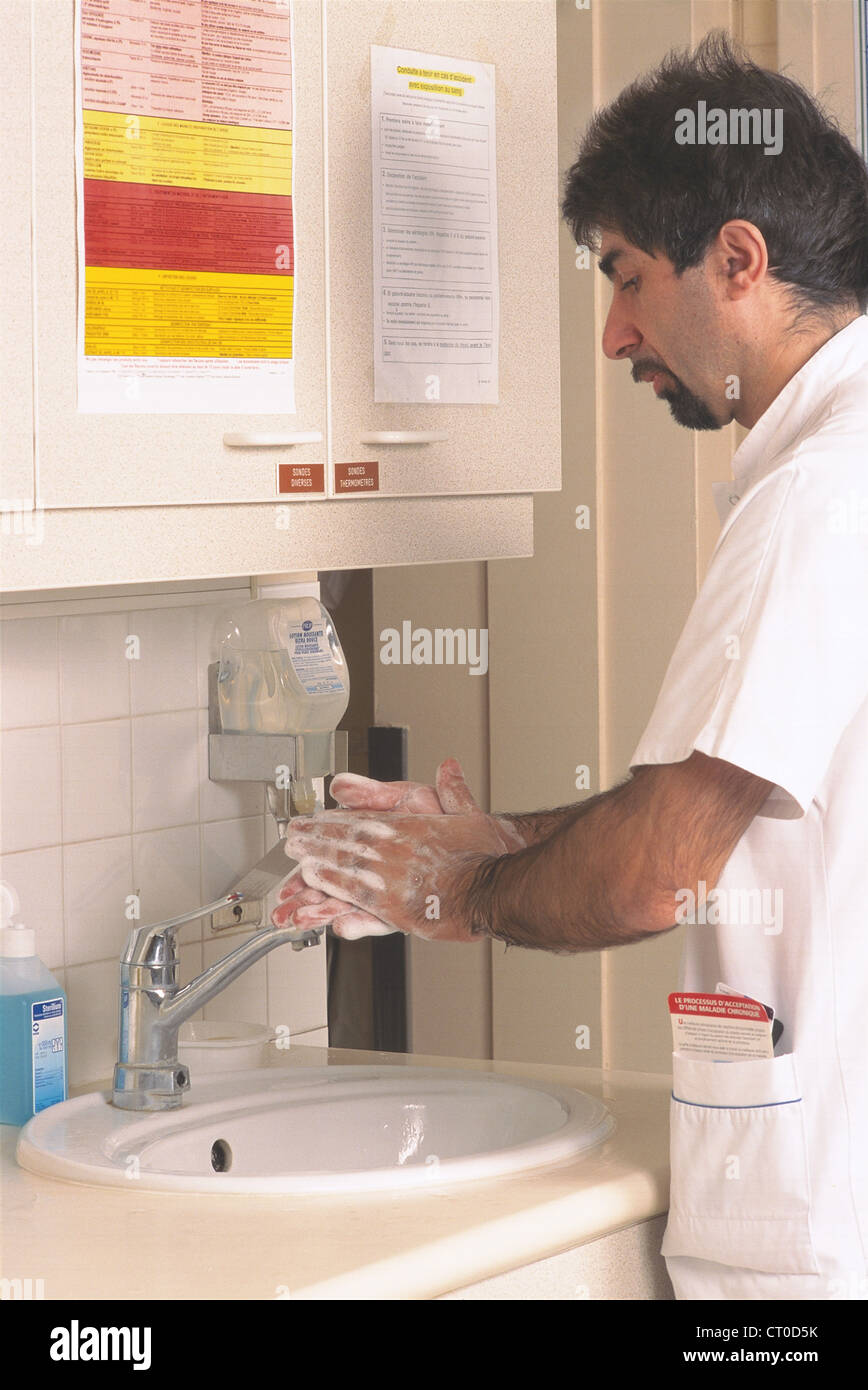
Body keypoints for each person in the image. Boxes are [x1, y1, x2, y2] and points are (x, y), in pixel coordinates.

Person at [273, 32, 868, 1300]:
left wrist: (461, 894)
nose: (613, 335)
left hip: (822, 1234)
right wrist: (489, 840)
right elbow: (719, 797)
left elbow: (658, 868)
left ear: (739, 261)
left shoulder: (818, 499)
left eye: (627, 277)